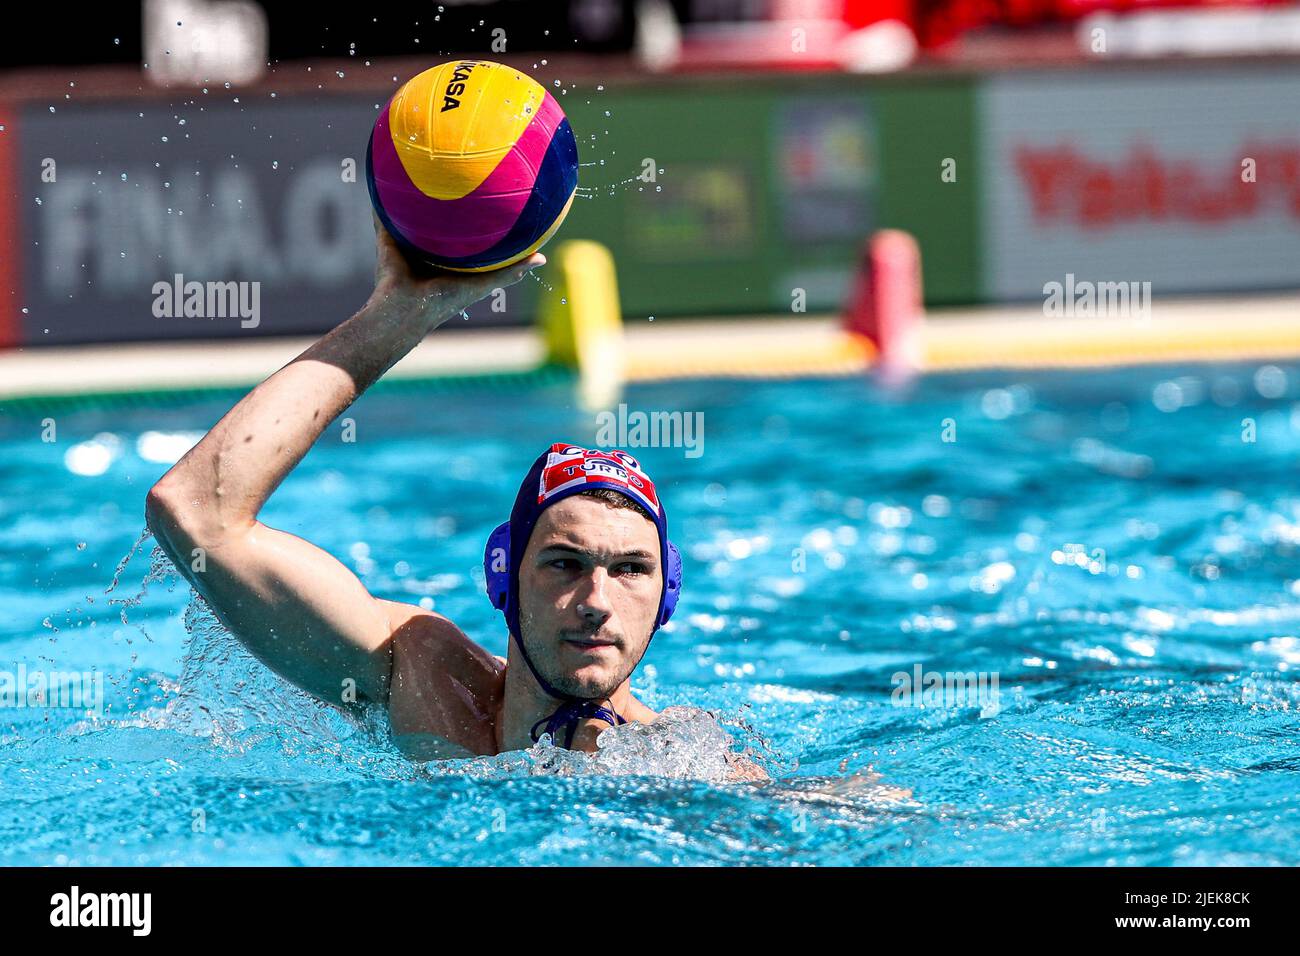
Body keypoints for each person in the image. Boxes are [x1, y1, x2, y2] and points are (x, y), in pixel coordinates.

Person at [145, 215, 766, 780]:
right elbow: (196, 511)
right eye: (565, 563)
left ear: (669, 593)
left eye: (632, 569)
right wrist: (400, 315)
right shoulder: (421, 674)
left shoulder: (685, 764)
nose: (597, 602)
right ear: (503, 574)